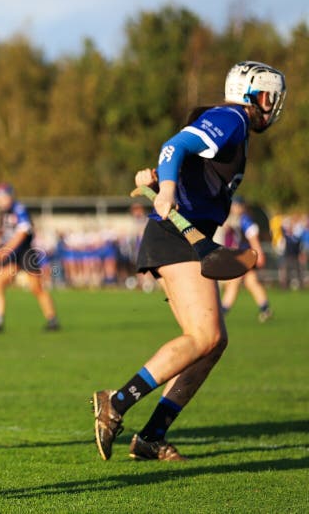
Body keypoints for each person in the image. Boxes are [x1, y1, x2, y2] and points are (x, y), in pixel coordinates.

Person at [91, 61, 286, 461]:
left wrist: (163, 179)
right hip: (176, 235)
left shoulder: (234, 128)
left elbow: (186, 158)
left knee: (213, 343)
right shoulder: (231, 118)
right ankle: (116, 402)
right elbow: (174, 145)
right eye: (269, 98)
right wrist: (165, 188)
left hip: (187, 236)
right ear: (252, 95)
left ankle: (150, 436)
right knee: (205, 336)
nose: (272, 107)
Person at [0, 183, 60, 332]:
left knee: (36, 288)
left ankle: (52, 320)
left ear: (9, 196)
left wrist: (6, 249)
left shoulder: (19, 209)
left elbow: (23, 232)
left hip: (24, 253)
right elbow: (5, 233)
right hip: (12, 255)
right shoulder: (3, 213)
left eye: (2, 197)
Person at [219, 197, 273, 322]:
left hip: (245, 255)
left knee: (233, 282)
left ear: (242, 207)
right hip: (245, 255)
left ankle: (222, 311)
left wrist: (259, 253)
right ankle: (265, 309)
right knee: (251, 282)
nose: (234, 208)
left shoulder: (245, 219)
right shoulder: (238, 219)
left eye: (237, 205)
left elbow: (253, 237)